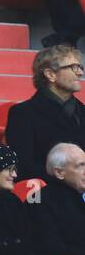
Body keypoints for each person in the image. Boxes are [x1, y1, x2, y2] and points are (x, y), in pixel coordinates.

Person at [6, 45, 85, 180]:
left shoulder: (82, 112)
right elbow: (23, 168)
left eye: (80, 67)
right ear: (50, 74)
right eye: (73, 67)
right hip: (46, 194)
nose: (80, 73)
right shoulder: (23, 114)